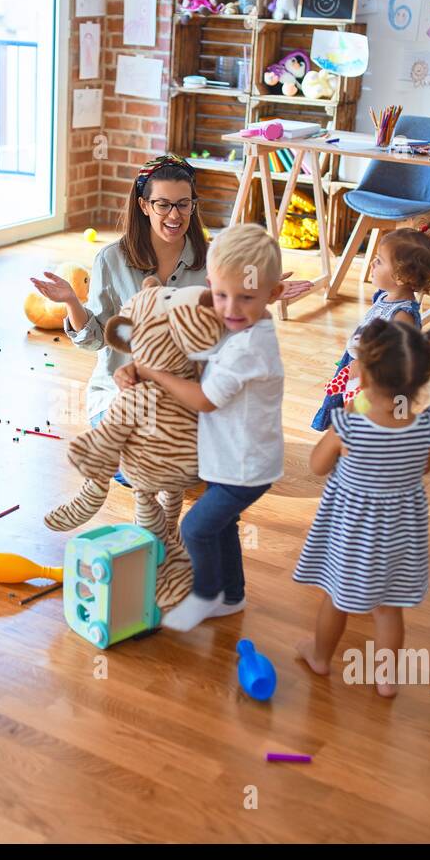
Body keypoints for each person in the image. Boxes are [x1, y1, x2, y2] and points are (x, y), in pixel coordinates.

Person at [118, 223, 286, 632]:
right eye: (222, 295)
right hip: (227, 458)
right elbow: (189, 350)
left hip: (245, 467)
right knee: (222, 526)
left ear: (273, 295)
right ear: (210, 285)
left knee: (196, 527)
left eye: (246, 298)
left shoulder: (250, 346)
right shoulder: (235, 327)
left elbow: (204, 398)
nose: (230, 308)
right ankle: (232, 595)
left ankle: (206, 594)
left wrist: (154, 373)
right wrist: (137, 366)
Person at [294, 319, 430, 697]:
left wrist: (343, 429)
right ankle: (386, 678)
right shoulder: (425, 425)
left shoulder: (349, 426)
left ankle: (319, 656)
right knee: (387, 608)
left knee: (337, 598)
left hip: (352, 532)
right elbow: (426, 466)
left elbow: (316, 466)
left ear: (361, 376)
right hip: (399, 532)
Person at [30, 154, 210, 435]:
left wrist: (259, 297)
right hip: (120, 395)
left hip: (185, 397)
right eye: (163, 204)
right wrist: (71, 301)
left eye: (183, 204)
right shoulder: (111, 259)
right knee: (136, 464)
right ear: (144, 205)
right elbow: (97, 339)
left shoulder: (212, 260)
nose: (175, 215)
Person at [311, 226, 430, 432]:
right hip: (355, 365)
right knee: (347, 410)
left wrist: (364, 366)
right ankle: (347, 440)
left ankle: (366, 444)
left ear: (401, 277)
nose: (372, 263)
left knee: (365, 417)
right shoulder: (384, 295)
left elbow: (397, 358)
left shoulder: (402, 315)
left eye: (379, 260)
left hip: (374, 380)